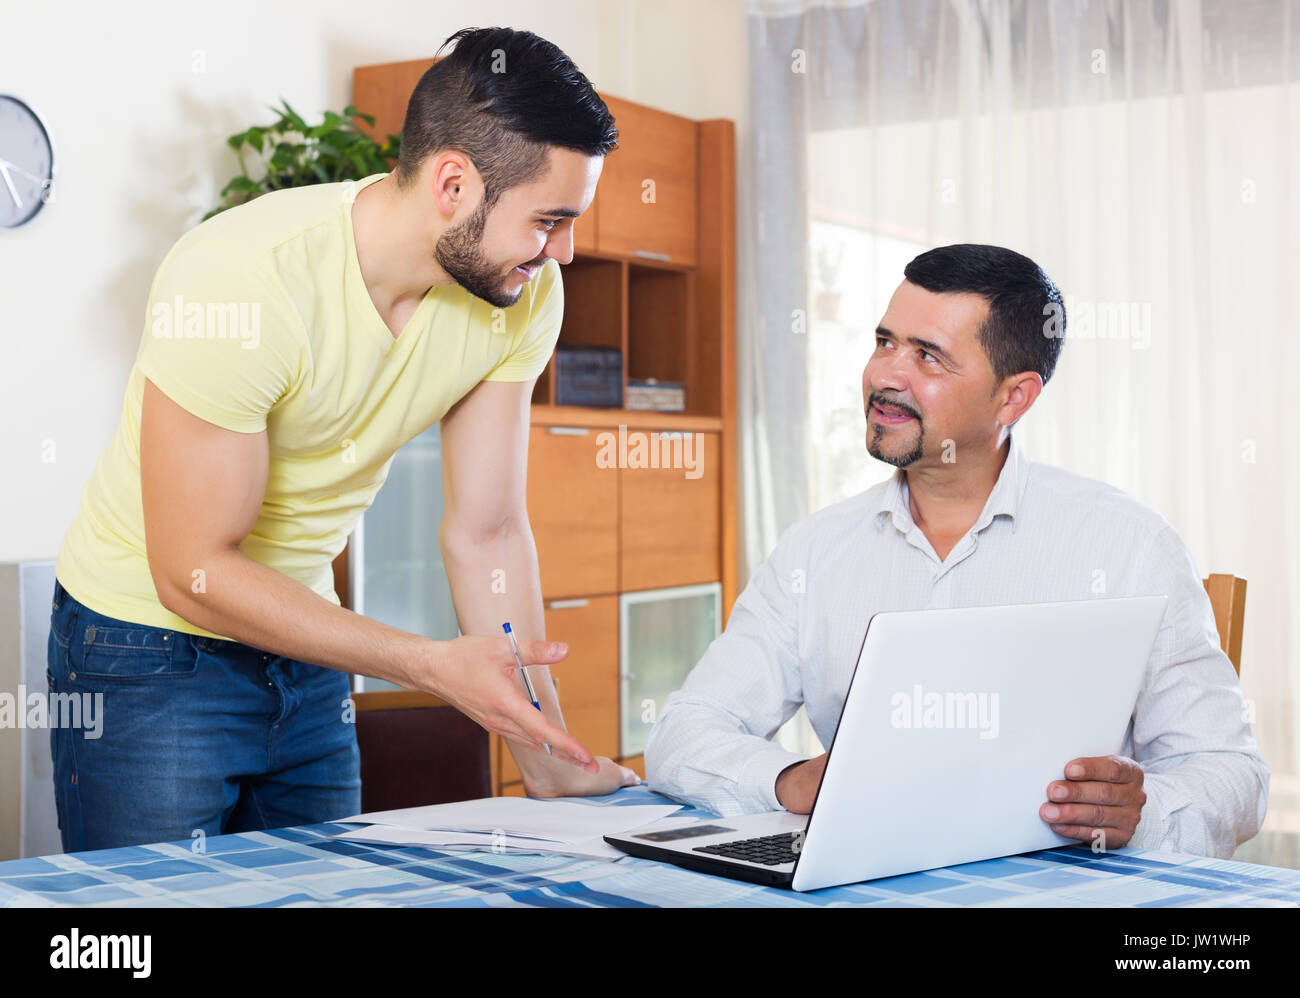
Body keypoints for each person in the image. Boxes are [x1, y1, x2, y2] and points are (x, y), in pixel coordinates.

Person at [48, 26, 638, 853]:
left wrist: (543, 750)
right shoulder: (244, 280)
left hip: (307, 644)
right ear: (454, 184)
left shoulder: (520, 297)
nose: (565, 253)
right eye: (549, 220)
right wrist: (430, 665)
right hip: (148, 645)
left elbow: (489, 530)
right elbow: (193, 570)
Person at [646, 243, 1268, 858]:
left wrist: (1143, 809)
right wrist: (787, 782)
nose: (885, 375)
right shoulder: (816, 551)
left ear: (1013, 398)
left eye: (929, 357)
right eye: (885, 342)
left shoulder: (1129, 546)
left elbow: (1232, 776)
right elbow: (684, 732)